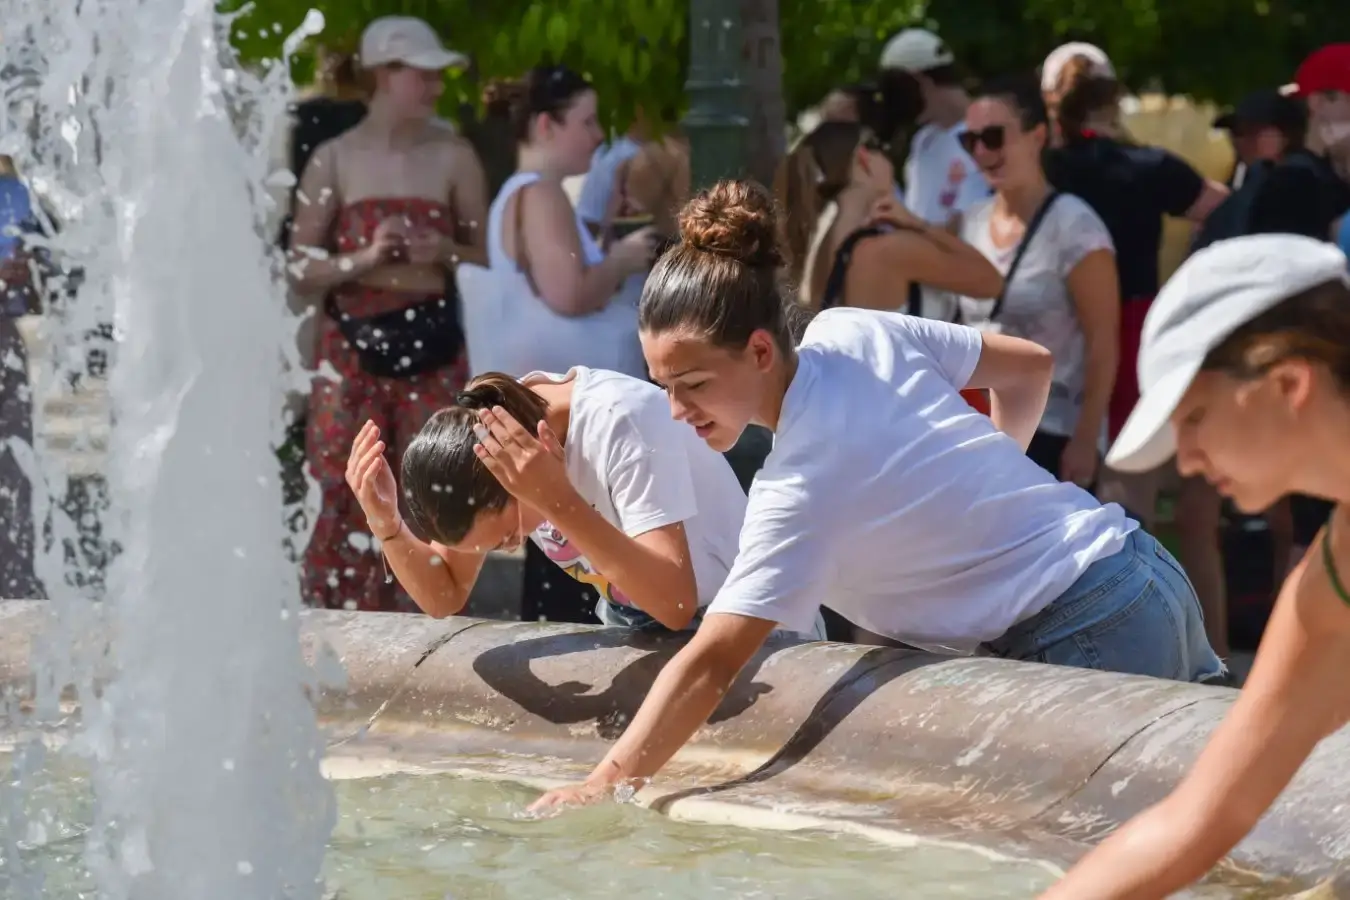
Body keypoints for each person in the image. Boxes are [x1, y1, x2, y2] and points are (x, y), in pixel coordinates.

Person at [527, 180, 1222, 812]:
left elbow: (711, 664)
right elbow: (1028, 369)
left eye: (695, 385)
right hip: (1140, 570)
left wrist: (604, 781)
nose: (677, 411)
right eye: (664, 386)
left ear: (760, 351)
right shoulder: (854, 329)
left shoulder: (796, 486)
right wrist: (987, 480)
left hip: (1085, 629)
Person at [1037, 234, 1350, 899]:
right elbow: (1199, 817)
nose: (1185, 461)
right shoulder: (1329, 587)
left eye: (1195, 417)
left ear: (1288, 383)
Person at [346, 369, 826, 637]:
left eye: (508, 535)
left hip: (761, 630)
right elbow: (445, 595)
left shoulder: (621, 422)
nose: (513, 546)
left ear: (514, 468)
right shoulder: (492, 439)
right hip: (650, 635)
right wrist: (387, 526)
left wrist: (557, 498)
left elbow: (676, 603)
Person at [289, 15, 488, 612]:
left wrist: (442, 250)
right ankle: (335, 617)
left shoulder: (454, 156)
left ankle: (429, 607)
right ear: (383, 74)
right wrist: (365, 259)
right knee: (340, 479)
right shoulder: (334, 158)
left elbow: (489, 256)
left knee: (434, 478)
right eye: (423, 74)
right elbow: (299, 265)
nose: (435, 87)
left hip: (432, 343)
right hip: (351, 347)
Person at [956, 75, 1121, 489]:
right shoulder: (971, 222)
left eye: (993, 137)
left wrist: (1086, 439)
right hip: (978, 429)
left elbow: (1103, 343)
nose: (981, 152)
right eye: (970, 140)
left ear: (1037, 136)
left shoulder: (1076, 226)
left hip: (1052, 432)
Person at [774, 121, 1001, 312]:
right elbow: (991, 282)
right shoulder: (890, 249)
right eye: (881, 148)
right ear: (864, 158)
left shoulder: (819, 247)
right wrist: (918, 225)